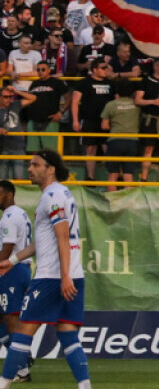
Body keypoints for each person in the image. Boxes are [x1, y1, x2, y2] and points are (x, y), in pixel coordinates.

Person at [2, 152, 86, 389]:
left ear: (50, 169)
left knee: (22, 330)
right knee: (68, 334)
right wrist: (13, 260)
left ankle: (4, 382)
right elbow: (45, 241)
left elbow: (62, 237)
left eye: (35, 165)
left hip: (52, 276)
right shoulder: (61, 193)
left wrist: (64, 275)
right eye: (29, 165)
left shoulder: (52, 195)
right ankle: (85, 386)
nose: (29, 169)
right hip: (72, 275)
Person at [0, 182, 28, 387]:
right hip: (19, 269)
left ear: (9, 194)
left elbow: (7, 248)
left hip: (11, 269)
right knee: (4, 316)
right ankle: (22, 359)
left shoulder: (9, 216)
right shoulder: (20, 213)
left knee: (10, 317)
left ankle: (22, 369)